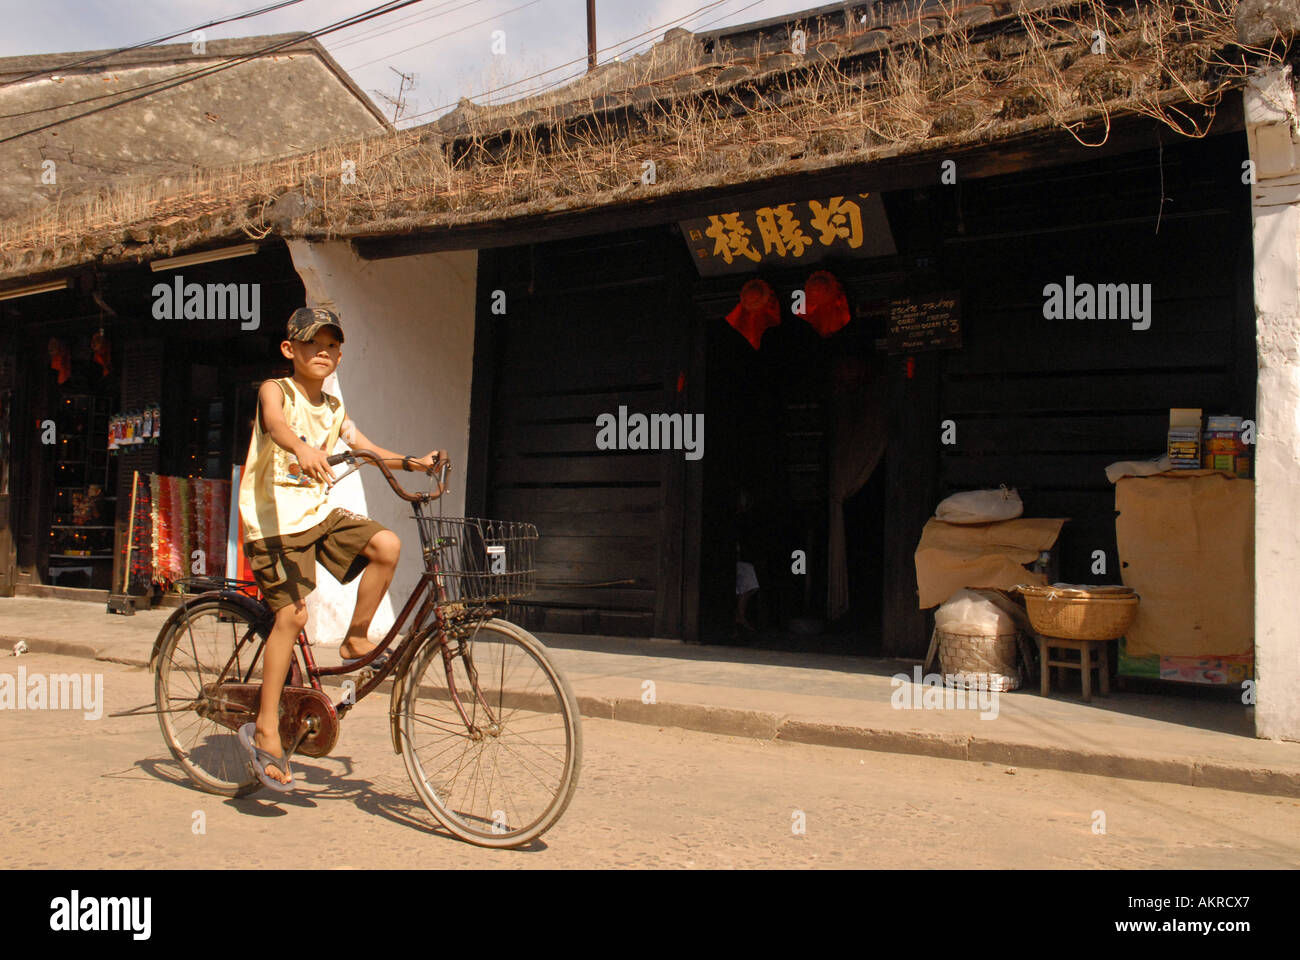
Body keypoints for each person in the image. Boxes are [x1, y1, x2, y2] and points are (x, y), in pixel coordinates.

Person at [236, 307, 443, 791]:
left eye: (331, 345)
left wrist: (414, 462)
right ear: (290, 350)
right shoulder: (277, 390)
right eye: (312, 343)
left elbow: (367, 448)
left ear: (340, 355)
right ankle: (266, 728)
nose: (323, 352)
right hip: (272, 522)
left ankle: (355, 637)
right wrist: (301, 448)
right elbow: (275, 424)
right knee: (292, 616)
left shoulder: (333, 410)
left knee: (386, 545)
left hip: (316, 515)